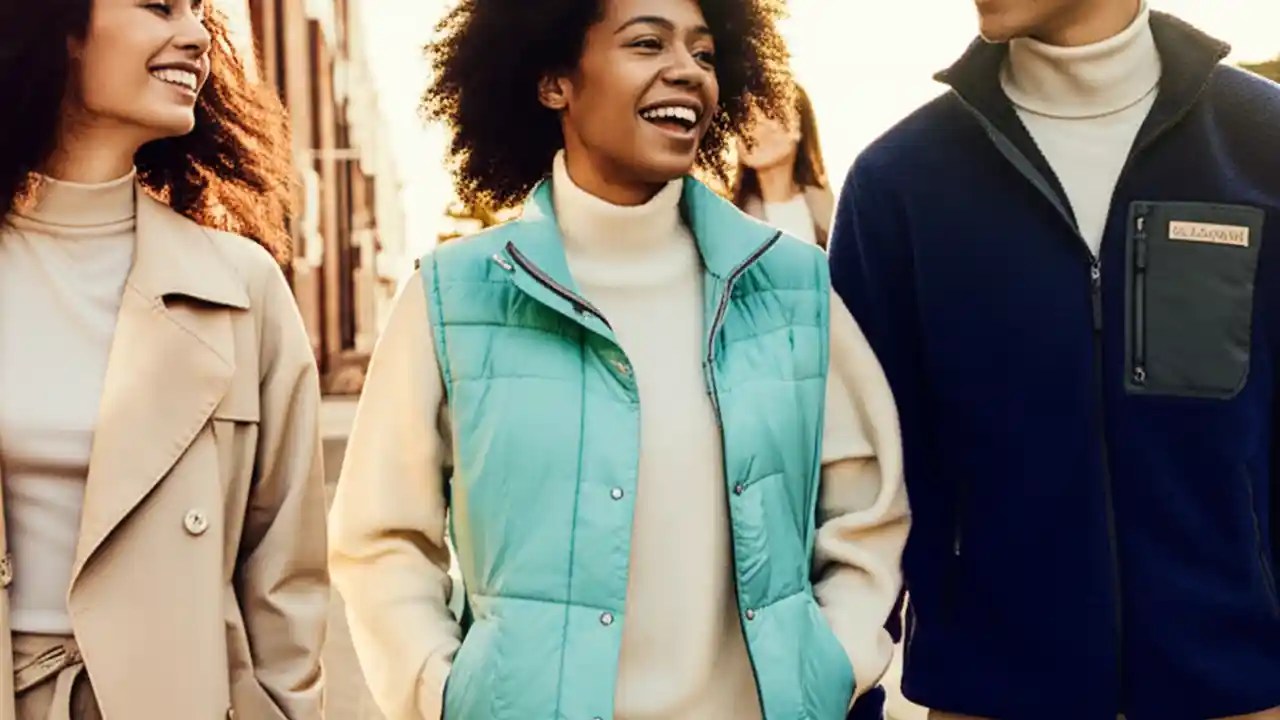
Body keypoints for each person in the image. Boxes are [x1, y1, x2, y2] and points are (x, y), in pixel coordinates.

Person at [328, 0, 910, 718]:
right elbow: (382, 538)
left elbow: (865, 512)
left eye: (703, 54)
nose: (686, 73)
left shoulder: (793, 286)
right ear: (554, 82)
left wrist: (834, 662)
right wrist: (445, 693)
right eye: (646, 44)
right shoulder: (450, 297)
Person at [828, 0, 1280, 718]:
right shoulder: (899, 184)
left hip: (1243, 692)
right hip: (987, 696)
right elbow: (854, 491)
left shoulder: (1264, 146)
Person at [0, 0, 329, 717]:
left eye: (198, 11)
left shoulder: (241, 289)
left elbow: (286, 579)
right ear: (56, 27)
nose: (195, 35)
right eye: (157, 6)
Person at [733, 83, 835, 249]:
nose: (755, 126)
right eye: (745, 115)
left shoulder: (835, 215)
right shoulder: (721, 220)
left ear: (799, 126)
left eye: (770, 113)